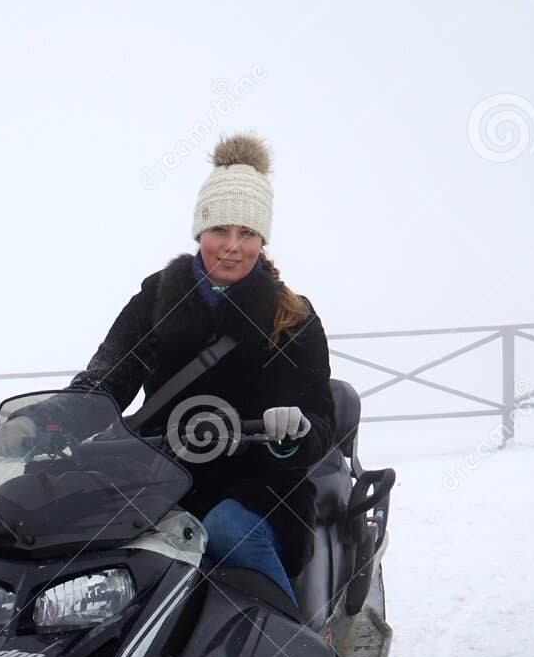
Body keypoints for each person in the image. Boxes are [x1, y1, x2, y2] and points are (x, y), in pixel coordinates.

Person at [64, 132, 336, 603]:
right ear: (199, 231)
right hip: (163, 482)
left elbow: (321, 417)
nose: (232, 247)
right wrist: (61, 417)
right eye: (220, 231)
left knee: (227, 528)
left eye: (247, 233)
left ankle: (290, 654)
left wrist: (296, 428)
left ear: (262, 239)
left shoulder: (293, 316)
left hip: (262, 488)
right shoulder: (155, 299)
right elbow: (109, 375)